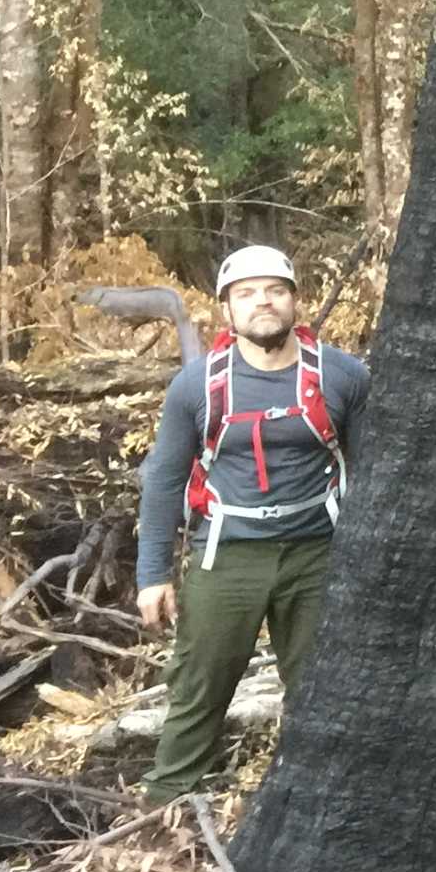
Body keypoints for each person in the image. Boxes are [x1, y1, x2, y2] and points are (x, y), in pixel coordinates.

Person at [133, 245, 369, 804]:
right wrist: (152, 575)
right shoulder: (196, 386)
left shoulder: (341, 375)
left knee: (321, 686)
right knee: (200, 682)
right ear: (226, 311)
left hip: (318, 551)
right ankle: (169, 806)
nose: (262, 302)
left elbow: (375, 471)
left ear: (295, 300)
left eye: (275, 290)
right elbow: (165, 481)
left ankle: (316, 803)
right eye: (246, 293)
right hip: (227, 553)